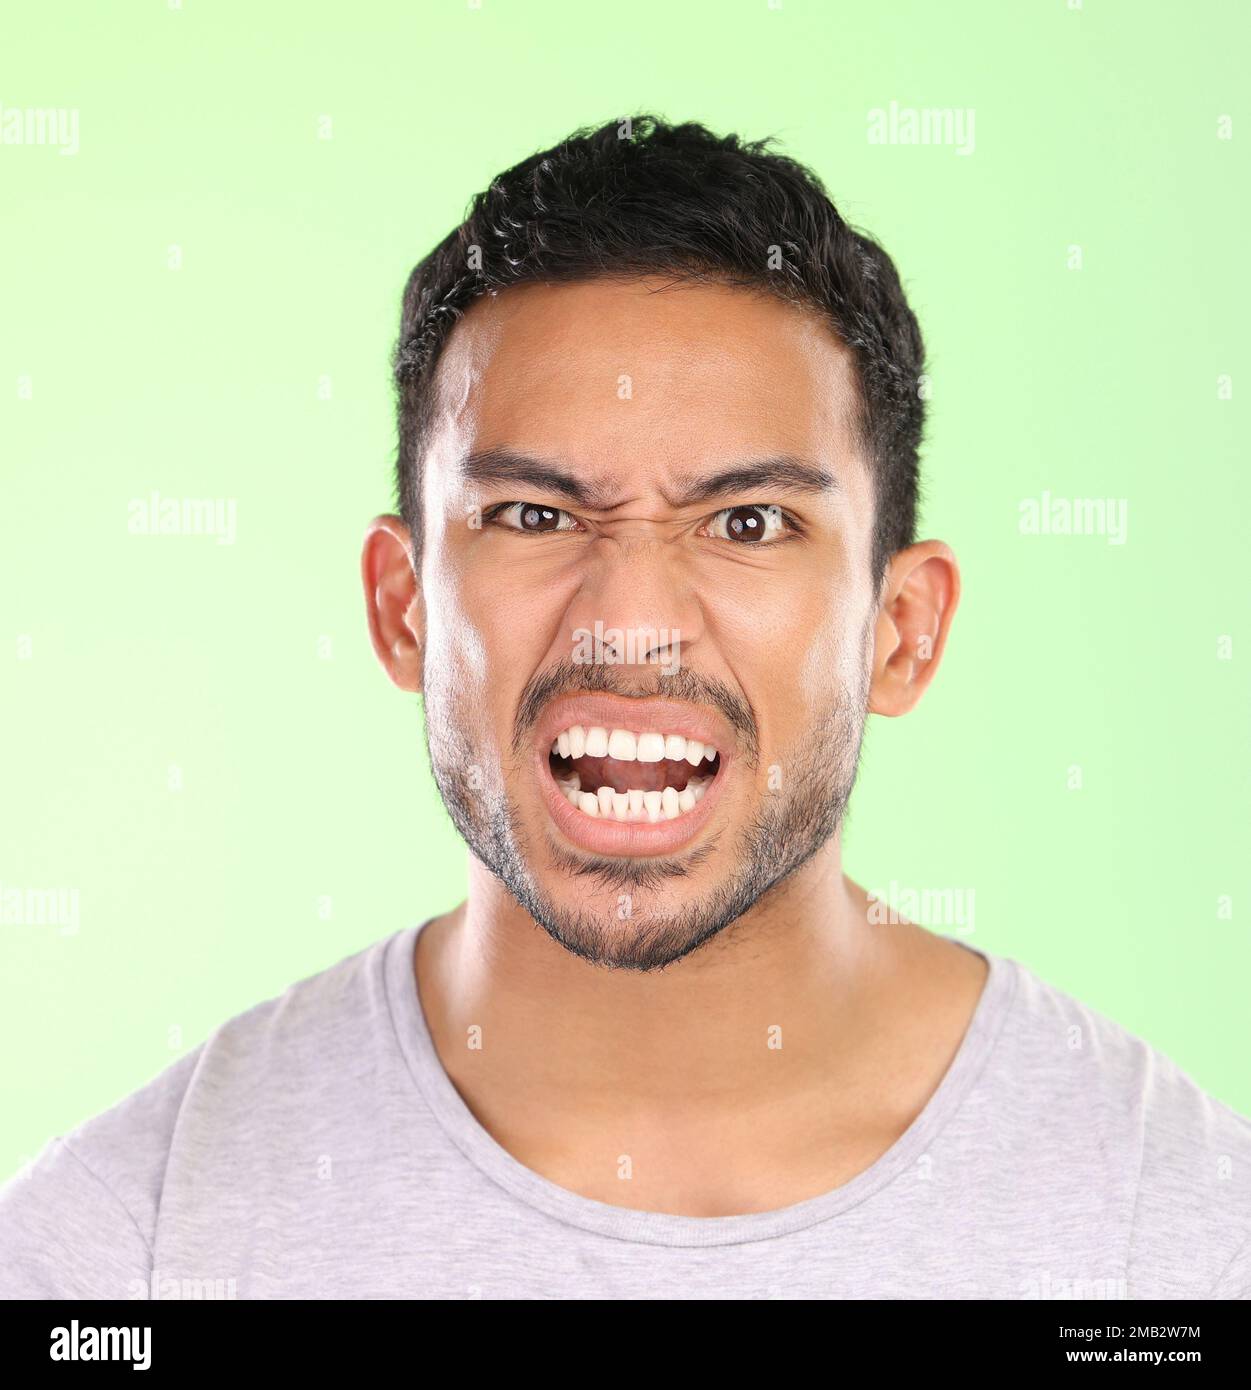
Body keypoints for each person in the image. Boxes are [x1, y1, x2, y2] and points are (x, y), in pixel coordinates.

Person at [3, 115, 1248, 1300]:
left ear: (901, 633)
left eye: (748, 522)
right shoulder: (131, 1247)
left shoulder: (1174, 1236)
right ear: (403, 607)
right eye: (535, 517)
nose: (631, 623)